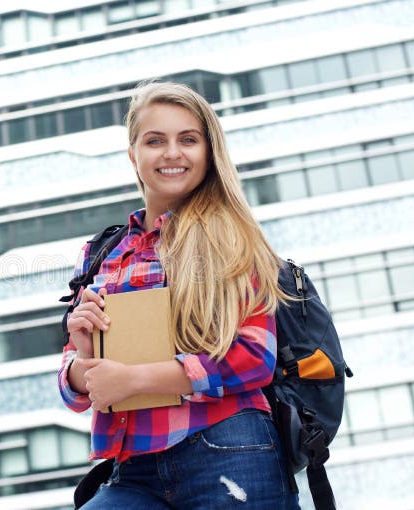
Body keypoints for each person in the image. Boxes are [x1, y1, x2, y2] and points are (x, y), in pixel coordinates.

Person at [57, 81, 300, 509]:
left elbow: (254, 358)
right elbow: (74, 387)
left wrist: (133, 380)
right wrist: (82, 355)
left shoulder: (232, 239)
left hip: (229, 449)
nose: (172, 153)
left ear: (208, 152)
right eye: (155, 141)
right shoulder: (101, 254)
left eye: (188, 139)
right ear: (133, 154)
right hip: (132, 469)